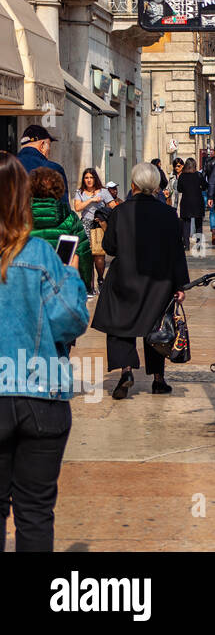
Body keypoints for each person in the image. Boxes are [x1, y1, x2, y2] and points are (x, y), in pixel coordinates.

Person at [0, 152, 89, 551]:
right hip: (41, 393)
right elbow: (71, 319)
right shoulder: (38, 256)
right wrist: (68, 275)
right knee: (35, 512)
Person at [92, 162, 189, 400]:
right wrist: (180, 285)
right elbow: (177, 251)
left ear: (133, 185)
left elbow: (109, 247)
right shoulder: (168, 213)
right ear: (155, 186)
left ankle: (125, 371)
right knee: (155, 326)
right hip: (158, 280)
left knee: (118, 323)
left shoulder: (120, 212)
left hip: (124, 277)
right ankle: (158, 379)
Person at [29, 168, 94, 295]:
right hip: (61, 288)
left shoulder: (20, 217)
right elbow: (84, 255)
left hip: (29, 288)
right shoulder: (70, 218)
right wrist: (85, 285)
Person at [72, 167, 115, 293]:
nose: (89, 180)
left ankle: (100, 279)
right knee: (87, 256)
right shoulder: (80, 192)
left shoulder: (103, 191)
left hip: (98, 225)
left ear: (95, 178)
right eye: (86, 178)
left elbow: (112, 206)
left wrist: (105, 216)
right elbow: (77, 207)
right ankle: (89, 285)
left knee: (99, 255)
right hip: (85, 224)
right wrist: (91, 199)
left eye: (91, 177)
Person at [16, 125, 68, 206]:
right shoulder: (54, 169)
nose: (49, 151)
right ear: (42, 145)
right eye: (49, 146)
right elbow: (64, 208)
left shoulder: (6, 166)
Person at [175, 158, 207, 252]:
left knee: (186, 223)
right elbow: (205, 186)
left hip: (186, 201)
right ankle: (199, 244)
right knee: (198, 224)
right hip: (197, 201)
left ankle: (187, 245)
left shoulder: (182, 176)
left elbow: (179, 189)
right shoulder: (198, 175)